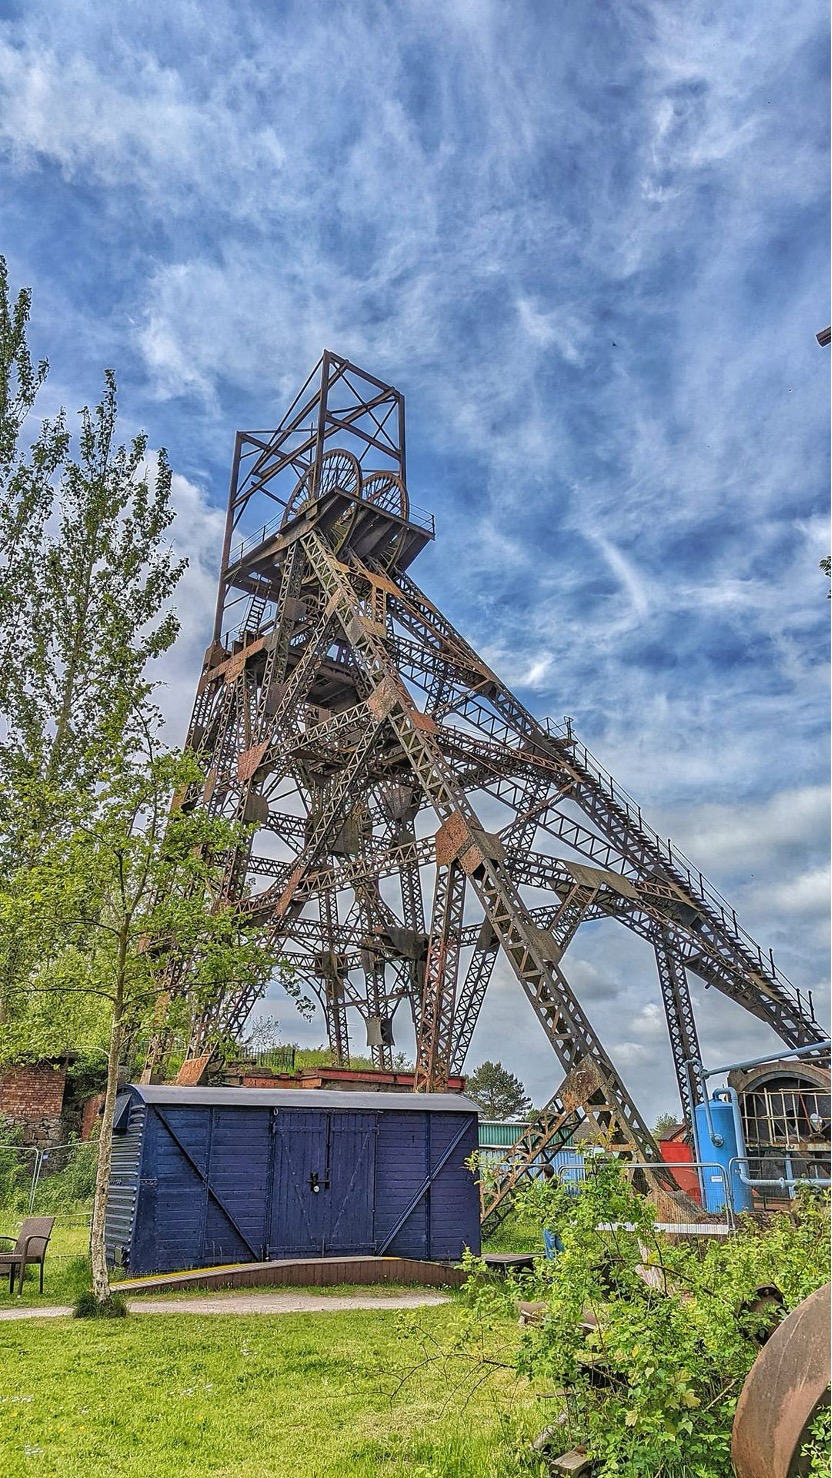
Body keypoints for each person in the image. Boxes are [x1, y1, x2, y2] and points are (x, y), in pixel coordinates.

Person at [540, 1164, 564, 1258]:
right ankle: (563, 1259)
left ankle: (551, 1264)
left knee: (549, 1242)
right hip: (557, 1217)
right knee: (558, 1241)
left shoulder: (547, 1186)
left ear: (545, 1173)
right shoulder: (558, 1184)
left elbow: (544, 1202)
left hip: (549, 1217)